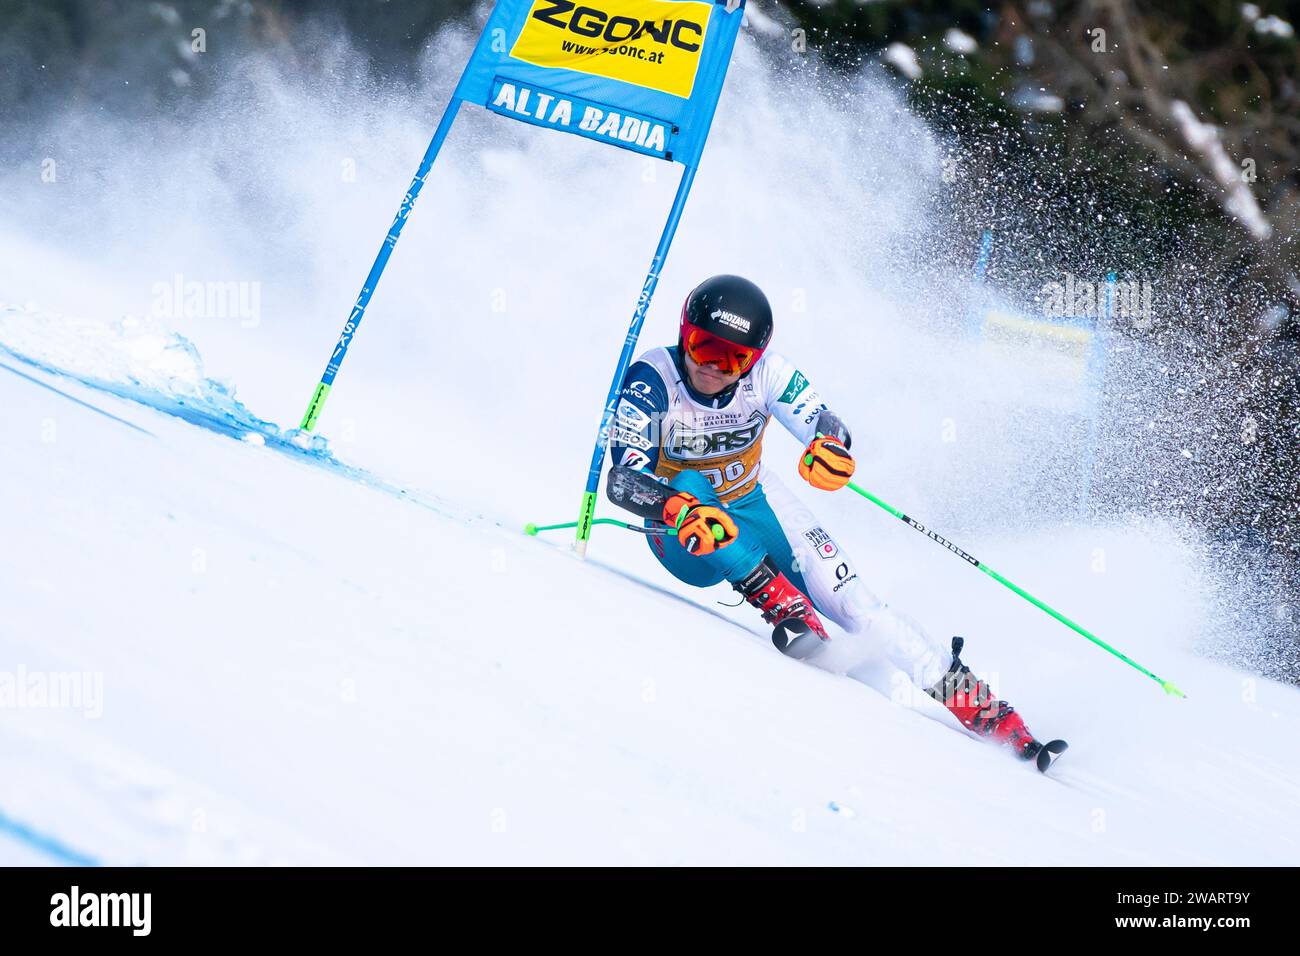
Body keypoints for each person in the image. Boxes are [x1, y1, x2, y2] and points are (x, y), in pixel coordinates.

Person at [606, 274, 1049, 761]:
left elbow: (824, 421)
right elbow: (622, 481)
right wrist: (673, 506)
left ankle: (981, 709)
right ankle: (780, 603)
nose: (712, 366)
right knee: (693, 487)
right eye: (702, 346)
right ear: (682, 333)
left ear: (753, 360)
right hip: (683, 534)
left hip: (752, 500)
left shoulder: (770, 374)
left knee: (857, 603)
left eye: (733, 358)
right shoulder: (653, 377)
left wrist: (830, 447)